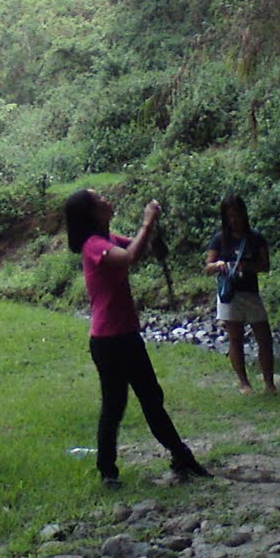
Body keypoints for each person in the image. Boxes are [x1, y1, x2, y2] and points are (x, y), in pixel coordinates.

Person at [64, 188, 211, 486]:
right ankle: (110, 470)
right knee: (117, 405)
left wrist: (152, 232)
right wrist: (146, 223)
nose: (106, 200)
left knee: (149, 398)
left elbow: (140, 250)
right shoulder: (93, 245)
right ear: (91, 213)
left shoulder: (107, 238)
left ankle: (178, 457)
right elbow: (130, 257)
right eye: (99, 199)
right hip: (110, 340)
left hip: (124, 335)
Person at [203, 192, 276, 394]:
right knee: (235, 338)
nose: (234, 219)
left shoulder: (255, 238)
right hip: (229, 294)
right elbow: (207, 267)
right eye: (229, 215)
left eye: (236, 214)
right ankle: (244, 383)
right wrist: (218, 265)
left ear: (243, 213)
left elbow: (265, 265)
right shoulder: (219, 239)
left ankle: (270, 383)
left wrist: (247, 266)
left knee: (264, 336)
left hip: (250, 292)